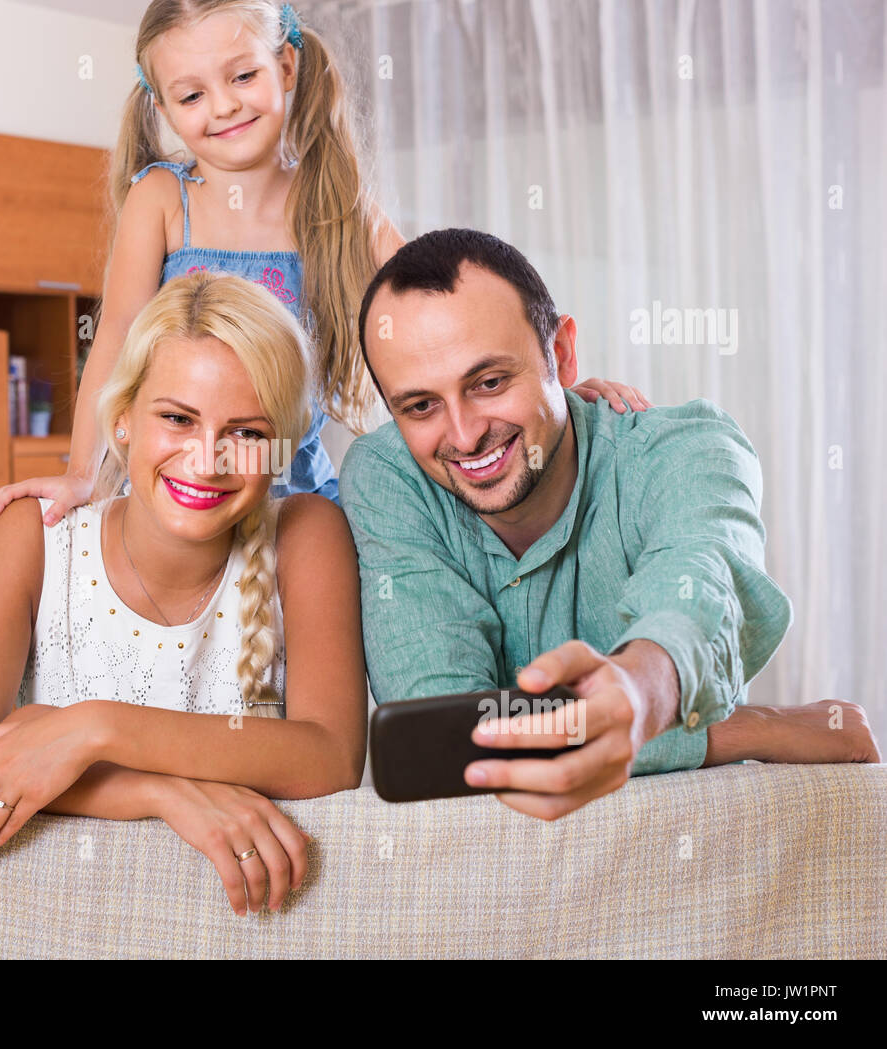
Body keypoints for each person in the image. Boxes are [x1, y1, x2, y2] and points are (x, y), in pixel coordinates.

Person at [0, 0, 644, 527]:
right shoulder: (161, 198)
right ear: (162, 108)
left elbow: (449, 305)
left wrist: (550, 385)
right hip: (183, 485)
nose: (223, 106)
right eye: (191, 94)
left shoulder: (334, 204)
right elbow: (117, 333)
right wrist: (79, 472)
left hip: (294, 496)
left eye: (242, 76)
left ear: (285, 66)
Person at [340, 228, 880, 820]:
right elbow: (440, 732)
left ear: (563, 355)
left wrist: (639, 691)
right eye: (421, 406)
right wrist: (736, 732)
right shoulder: (384, 476)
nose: (465, 435)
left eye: (490, 382)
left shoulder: (687, 448)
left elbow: (700, 580)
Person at [0, 272, 368, 917]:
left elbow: (330, 757)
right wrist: (160, 793)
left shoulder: (307, 534)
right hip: (66, 915)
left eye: (249, 433)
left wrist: (94, 729)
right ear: (122, 419)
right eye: (178, 418)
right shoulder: (33, 540)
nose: (207, 461)